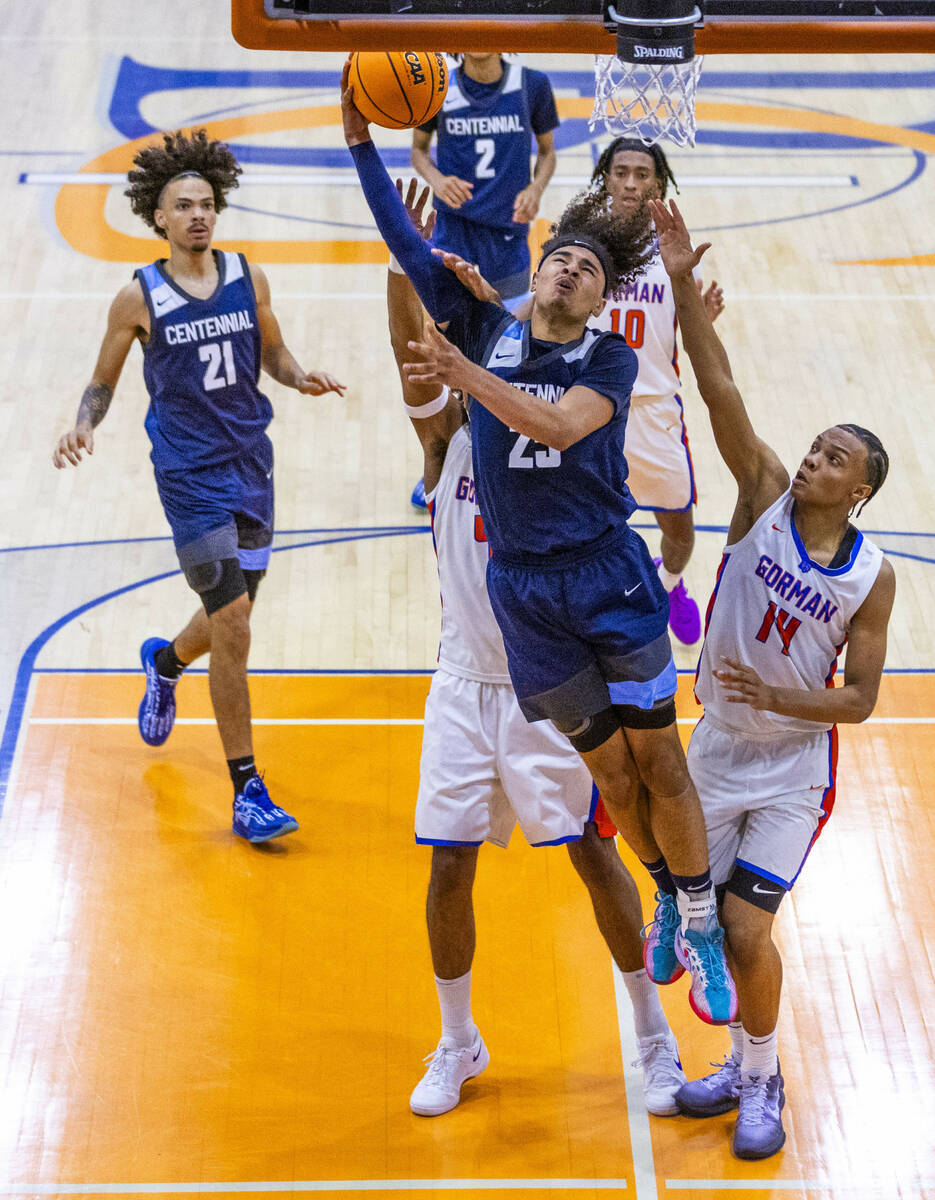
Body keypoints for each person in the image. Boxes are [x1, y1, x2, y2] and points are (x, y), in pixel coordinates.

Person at [343, 65, 738, 1028]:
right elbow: (407, 245)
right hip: (524, 597)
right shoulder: (486, 322)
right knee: (609, 778)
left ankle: (702, 920)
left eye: (586, 267)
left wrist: (466, 369)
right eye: (557, 256)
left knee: (660, 763)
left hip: (606, 576)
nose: (565, 267)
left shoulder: (605, 357)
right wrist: (358, 138)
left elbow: (557, 428)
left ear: (602, 298)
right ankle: (666, 893)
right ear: (539, 266)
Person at [385, 181, 684, 1118]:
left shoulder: (549, 401)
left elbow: (542, 408)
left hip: (541, 664)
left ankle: (651, 1031)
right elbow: (422, 339)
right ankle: (457, 1040)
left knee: (593, 853)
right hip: (461, 678)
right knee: (447, 864)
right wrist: (404, 261)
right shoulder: (446, 443)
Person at [646, 196, 895, 1159]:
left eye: (832, 456)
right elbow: (722, 396)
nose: (810, 456)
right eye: (814, 444)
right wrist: (676, 287)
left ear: (858, 488)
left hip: (792, 770)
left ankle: (757, 1082)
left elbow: (860, 703)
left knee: (750, 934)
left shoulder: (871, 578)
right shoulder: (759, 495)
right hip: (714, 746)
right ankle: (679, 902)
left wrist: (771, 697)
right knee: (665, 861)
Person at [52, 128, 345, 843]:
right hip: (189, 478)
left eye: (207, 204)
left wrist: (298, 375)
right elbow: (102, 381)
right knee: (237, 623)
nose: (198, 215)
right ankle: (248, 791)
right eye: (183, 206)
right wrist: (83, 423)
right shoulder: (138, 297)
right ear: (157, 216)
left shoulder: (249, 275)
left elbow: (270, 352)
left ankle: (163, 662)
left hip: (252, 465)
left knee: (225, 623)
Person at [408, 51, 559, 508]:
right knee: (448, 354)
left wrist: (535, 189)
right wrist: (436, 178)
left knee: (507, 355)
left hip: (508, 241)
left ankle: (500, 453)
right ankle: (445, 459)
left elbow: (548, 152)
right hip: (455, 236)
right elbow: (418, 150)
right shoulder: (438, 86)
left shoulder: (532, 83)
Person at [590, 139, 723, 645]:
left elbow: (692, 342)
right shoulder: (581, 241)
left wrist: (700, 323)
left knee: (681, 534)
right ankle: (598, 611)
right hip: (592, 410)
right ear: (605, 178)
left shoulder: (675, 250)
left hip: (654, 410)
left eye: (641, 174)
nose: (629, 182)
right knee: (587, 529)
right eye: (620, 172)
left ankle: (668, 587)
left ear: (658, 184)